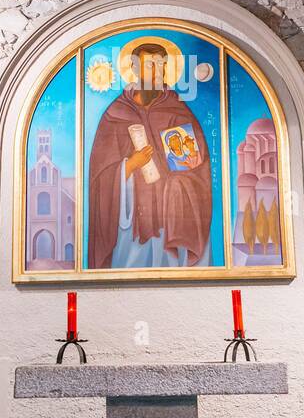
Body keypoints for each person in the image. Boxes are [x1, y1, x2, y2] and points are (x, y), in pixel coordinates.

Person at [88, 42, 212, 268]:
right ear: (134, 69)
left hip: (171, 220)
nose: (156, 73)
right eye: (149, 67)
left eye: (160, 66)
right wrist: (129, 165)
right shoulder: (115, 114)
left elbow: (198, 164)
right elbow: (99, 176)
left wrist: (194, 165)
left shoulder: (177, 109)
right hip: (130, 223)